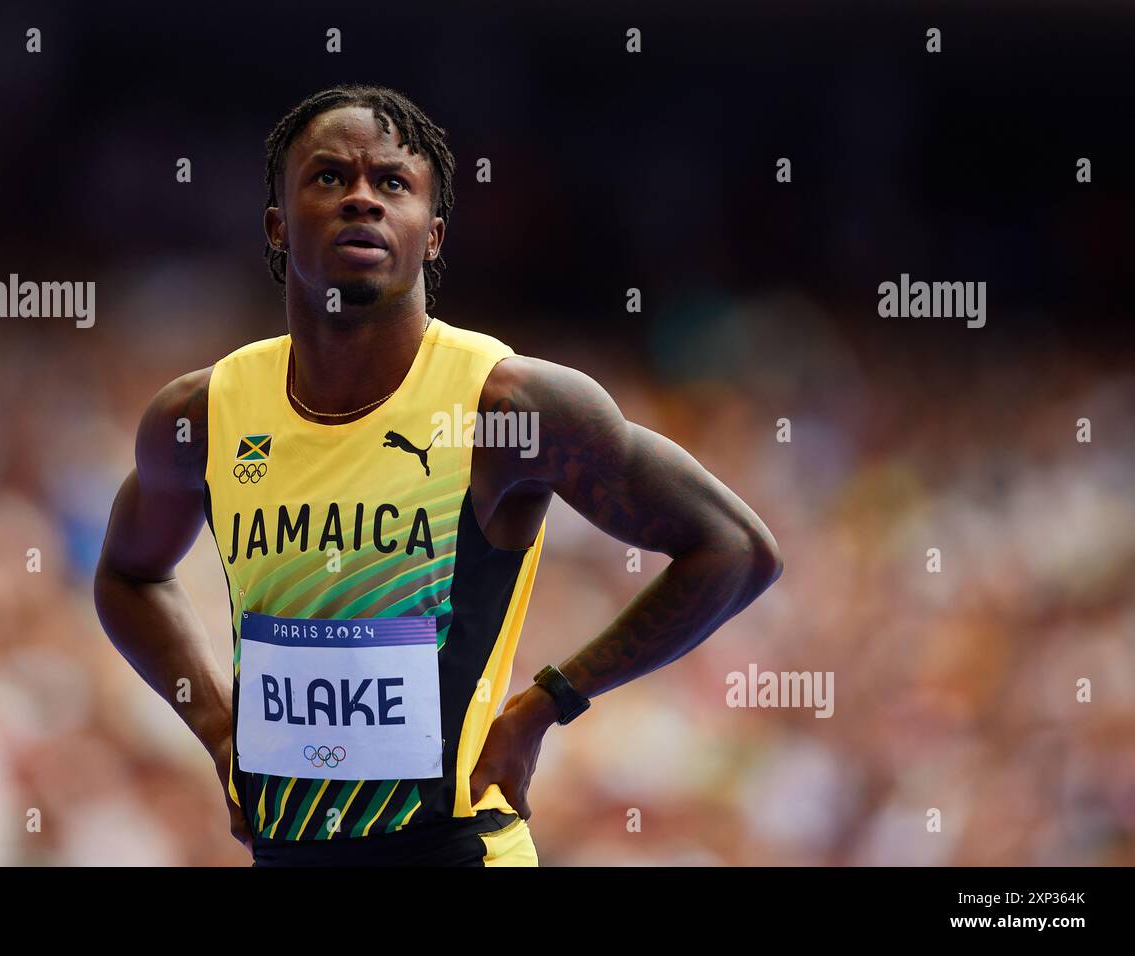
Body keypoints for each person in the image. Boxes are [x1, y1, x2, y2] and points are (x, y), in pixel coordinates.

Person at [94, 84, 782, 866]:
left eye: (392, 182)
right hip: (286, 852)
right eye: (329, 176)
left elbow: (734, 548)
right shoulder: (204, 414)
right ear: (277, 225)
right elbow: (127, 574)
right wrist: (222, 730)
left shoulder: (509, 405)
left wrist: (547, 703)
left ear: (432, 234)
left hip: (455, 851)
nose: (361, 198)